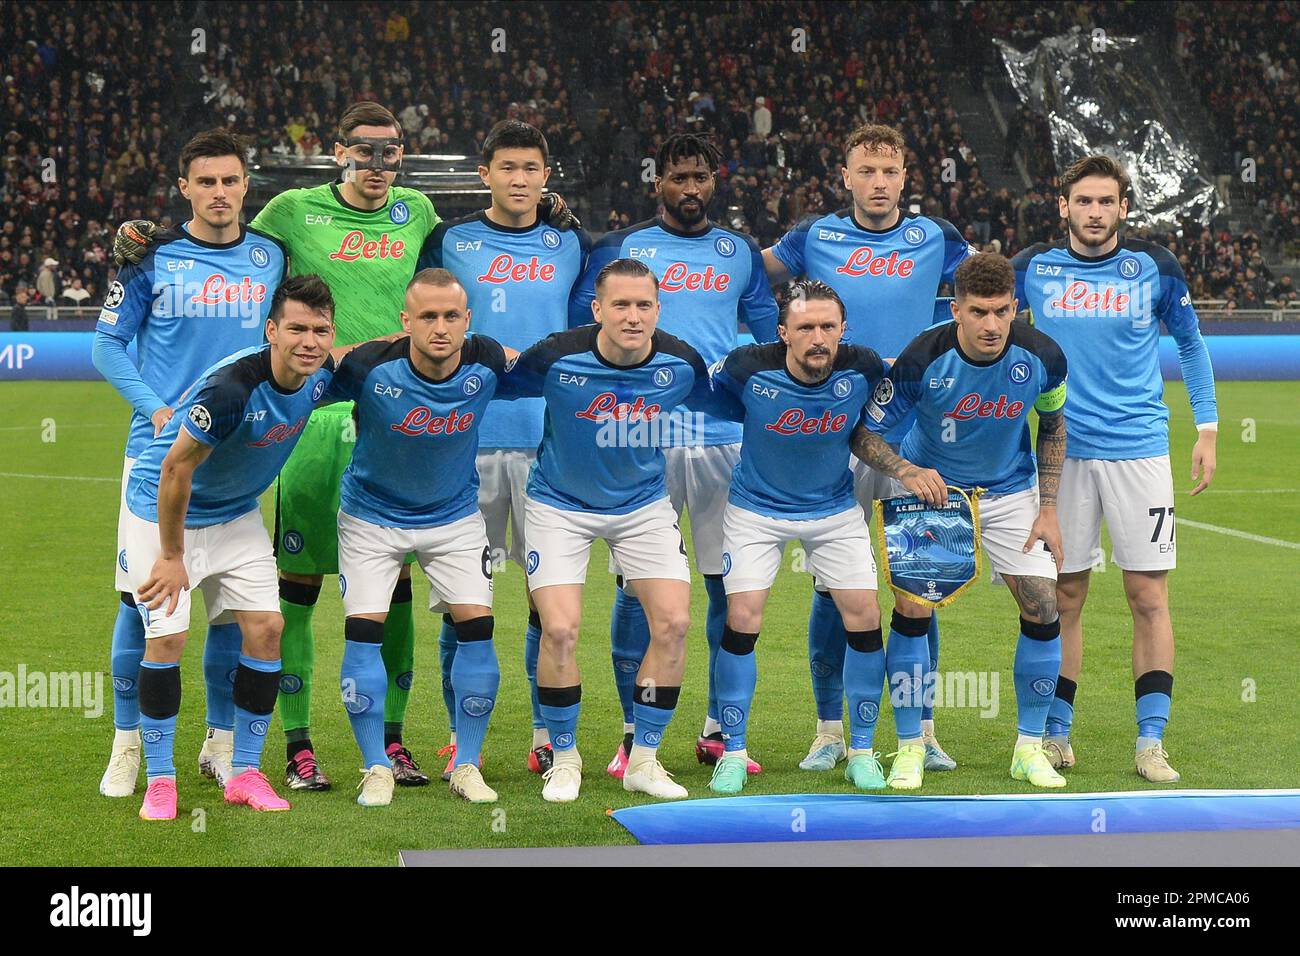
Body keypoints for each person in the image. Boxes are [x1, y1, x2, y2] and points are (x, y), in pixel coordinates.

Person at [112, 102, 580, 793]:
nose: (376, 165)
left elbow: (472, 261)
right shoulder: (292, 211)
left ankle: (390, 744)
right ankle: (295, 747)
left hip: (397, 419)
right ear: (338, 153)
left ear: (403, 156)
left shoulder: (419, 213)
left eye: (389, 152)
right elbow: (224, 230)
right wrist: (145, 238)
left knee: (390, 590)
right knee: (288, 596)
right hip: (312, 415)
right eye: (362, 152)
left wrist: (551, 209)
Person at [763, 123, 974, 774]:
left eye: (889, 172)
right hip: (833, 431)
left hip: (915, 434)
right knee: (833, 586)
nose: (878, 183)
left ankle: (923, 730)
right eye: (866, 171)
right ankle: (830, 729)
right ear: (845, 177)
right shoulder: (813, 237)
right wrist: (773, 355)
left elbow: (990, 298)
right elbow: (750, 276)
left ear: (905, 177)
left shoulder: (936, 239)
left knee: (920, 581)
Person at [570, 132, 778, 779]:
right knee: (637, 589)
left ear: (716, 181)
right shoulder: (626, 250)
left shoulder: (738, 252)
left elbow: (769, 342)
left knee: (723, 585)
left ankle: (718, 729)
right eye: (679, 177)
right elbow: (583, 329)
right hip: (642, 438)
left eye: (701, 177)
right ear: (656, 179)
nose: (691, 189)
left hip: (721, 442)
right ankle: (635, 733)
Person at [1012, 155, 1218, 782]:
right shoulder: (1034, 268)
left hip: (1140, 451)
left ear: (1124, 208)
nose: (1095, 212)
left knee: (1147, 595)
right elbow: (980, 323)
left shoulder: (1154, 267)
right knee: (1062, 596)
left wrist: (1206, 426)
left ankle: (1150, 742)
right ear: (1064, 207)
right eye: (1084, 201)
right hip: (1061, 453)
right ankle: (1055, 733)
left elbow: (1190, 341)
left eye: (1107, 202)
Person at [93, 128, 285, 799]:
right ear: (184, 188)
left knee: (233, 611)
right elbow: (108, 346)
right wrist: (155, 410)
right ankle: (126, 747)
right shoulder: (152, 256)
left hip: (236, 462)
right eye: (206, 182)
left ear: (246, 186)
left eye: (231, 180)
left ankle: (222, 745)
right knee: (139, 606)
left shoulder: (271, 257)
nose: (220, 193)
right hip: (157, 458)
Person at [499, 258, 731, 803]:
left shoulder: (680, 363)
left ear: (658, 309)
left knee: (672, 623)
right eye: (620, 305)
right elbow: (489, 386)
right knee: (559, 630)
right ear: (597, 308)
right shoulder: (555, 357)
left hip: (642, 506)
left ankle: (644, 759)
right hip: (560, 505)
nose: (632, 316)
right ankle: (563, 755)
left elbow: (732, 404)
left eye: (644, 305)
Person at [123, 275, 342, 820]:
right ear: (272, 330)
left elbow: (368, 351)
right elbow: (175, 468)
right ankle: (160, 780)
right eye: (296, 329)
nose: (308, 341)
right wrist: (172, 558)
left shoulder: (320, 376)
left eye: (320, 330)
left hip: (235, 512)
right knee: (168, 639)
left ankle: (244, 772)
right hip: (162, 508)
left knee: (268, 629)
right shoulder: (232, 389)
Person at [852, 253, 1069, 790]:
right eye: (979, 312)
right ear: (957, 310)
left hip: (1011, 491)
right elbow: (864, 433)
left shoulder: (1044, 357)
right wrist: (905, 469)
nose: (992, 325)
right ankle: (909, 748)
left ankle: (1028, 747)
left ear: (1015, 307)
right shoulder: (921, 358)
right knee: (911, 606)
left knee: (1043, 602)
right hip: (937, 495)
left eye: (1001, 311)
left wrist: (1047, 508)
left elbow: (1053, 426)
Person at [417, 120, 591, 781]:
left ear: (546, 176)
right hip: (467, 438)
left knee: (546, 595)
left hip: (549, 441)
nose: (519, 179)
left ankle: (547, 730)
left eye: (531, 168)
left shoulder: (571, 240)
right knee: (464, 594)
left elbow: (586, 329)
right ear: (484, 173)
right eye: (507, 167)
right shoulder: (449, 239)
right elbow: (423, 317)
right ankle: (461, 730)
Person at [707, 280, 921, 794]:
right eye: (805, 327)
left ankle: (862, 752)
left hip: (833, 510)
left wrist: (908, 468)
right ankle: (732, 752)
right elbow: (692, 394)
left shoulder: (864, 367)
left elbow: (894, 407)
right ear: (783, 332)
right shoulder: (745, 368)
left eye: (828, 326)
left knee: (865, 616)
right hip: (756, 511)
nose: (818, 337)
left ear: (843, 329)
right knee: (742, 618)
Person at [326, 269, 505, 806]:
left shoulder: (487, 360)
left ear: (467, 320)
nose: (441, 327)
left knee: (478, 631)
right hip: (371, 517)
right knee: (364, 635)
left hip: (453, 518)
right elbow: (292, 385)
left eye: (452, 316)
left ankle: (467, 764)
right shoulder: (367, 365)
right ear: (405, 323)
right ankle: (376, 766)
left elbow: (558, 368)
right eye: (427, 316)